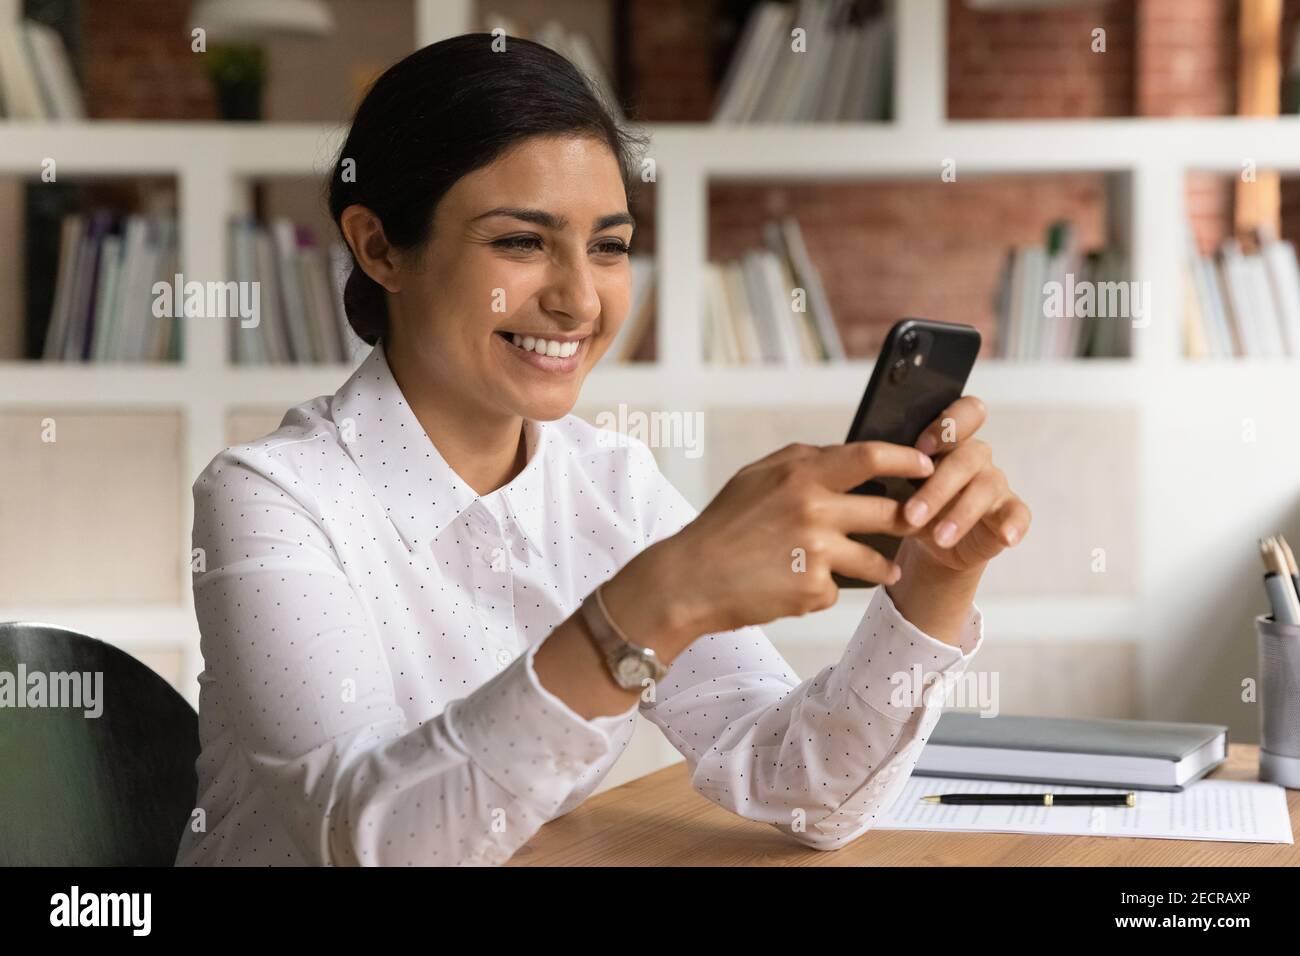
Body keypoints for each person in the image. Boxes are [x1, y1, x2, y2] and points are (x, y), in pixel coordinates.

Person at [175, 34, 1030, 866]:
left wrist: (935, 586)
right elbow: (366, 840)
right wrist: (653, 602)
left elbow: (803, 789)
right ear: (380, 246)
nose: (579, 298)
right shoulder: (271, 496)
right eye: (520, 241)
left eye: (610, 248)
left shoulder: (610, 484)